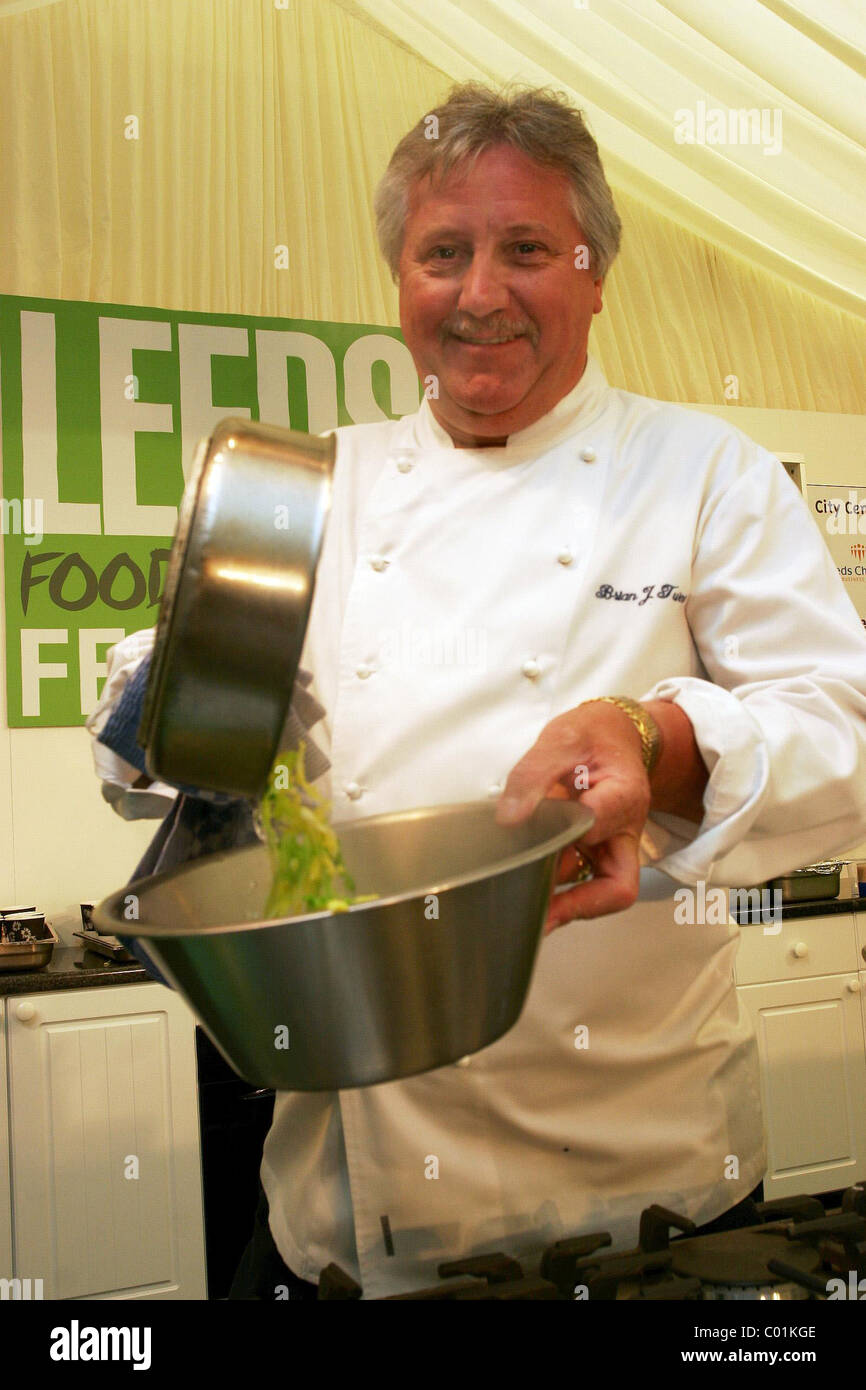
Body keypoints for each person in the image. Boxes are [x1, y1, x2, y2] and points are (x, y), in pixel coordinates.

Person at [90, 83, 866, 1300]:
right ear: (398, 278)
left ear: (595, 270)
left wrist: (652, 737)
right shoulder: (314, 488)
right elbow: (144, 747)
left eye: (525, 250)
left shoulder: (702, 474)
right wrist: (174, 702)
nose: (480, 294)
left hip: (641, 1190)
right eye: (441, 253)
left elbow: (843, 739)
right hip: (346, 1198)